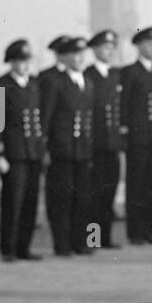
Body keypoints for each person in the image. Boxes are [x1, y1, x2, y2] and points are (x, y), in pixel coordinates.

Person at [43, 35, 94, 256]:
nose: (80, 58)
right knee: (61, 200)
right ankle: (62, 244)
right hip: (62, 150)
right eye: (75, 54)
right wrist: (44, 147)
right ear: (66, 57)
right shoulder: (57, 81)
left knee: (82, 198)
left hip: (82, 150)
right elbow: (46, 117)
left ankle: (81, 242)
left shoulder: (88, 82)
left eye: (82, 54)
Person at [0, 38, 44, 262]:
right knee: (12, 202)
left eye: (27, 60)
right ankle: (9, 248)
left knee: (30, 203)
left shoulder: (34, 84)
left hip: (33, 152)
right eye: (20, 61)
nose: (24, 65)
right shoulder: (1, 85)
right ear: (11, 62)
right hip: (13, 154)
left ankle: (24, 246)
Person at [121, 27, 152, 245]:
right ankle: (135, 232)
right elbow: (125, 105)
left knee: (151, 185)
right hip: (138, 137)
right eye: (148, 45)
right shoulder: (130, 72)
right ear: (139, 47)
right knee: (136, 185)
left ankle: (148, 231)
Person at [84, 29, 124, 250]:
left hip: (113, 144)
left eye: (111, 48)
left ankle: (106, 238)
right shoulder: (89, 75)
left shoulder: (116, 75)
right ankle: (93, 238)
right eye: (104, 47)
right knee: (94, 195)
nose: (108, 51)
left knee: (109, 193)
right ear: (95, 50)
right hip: (96, 145)